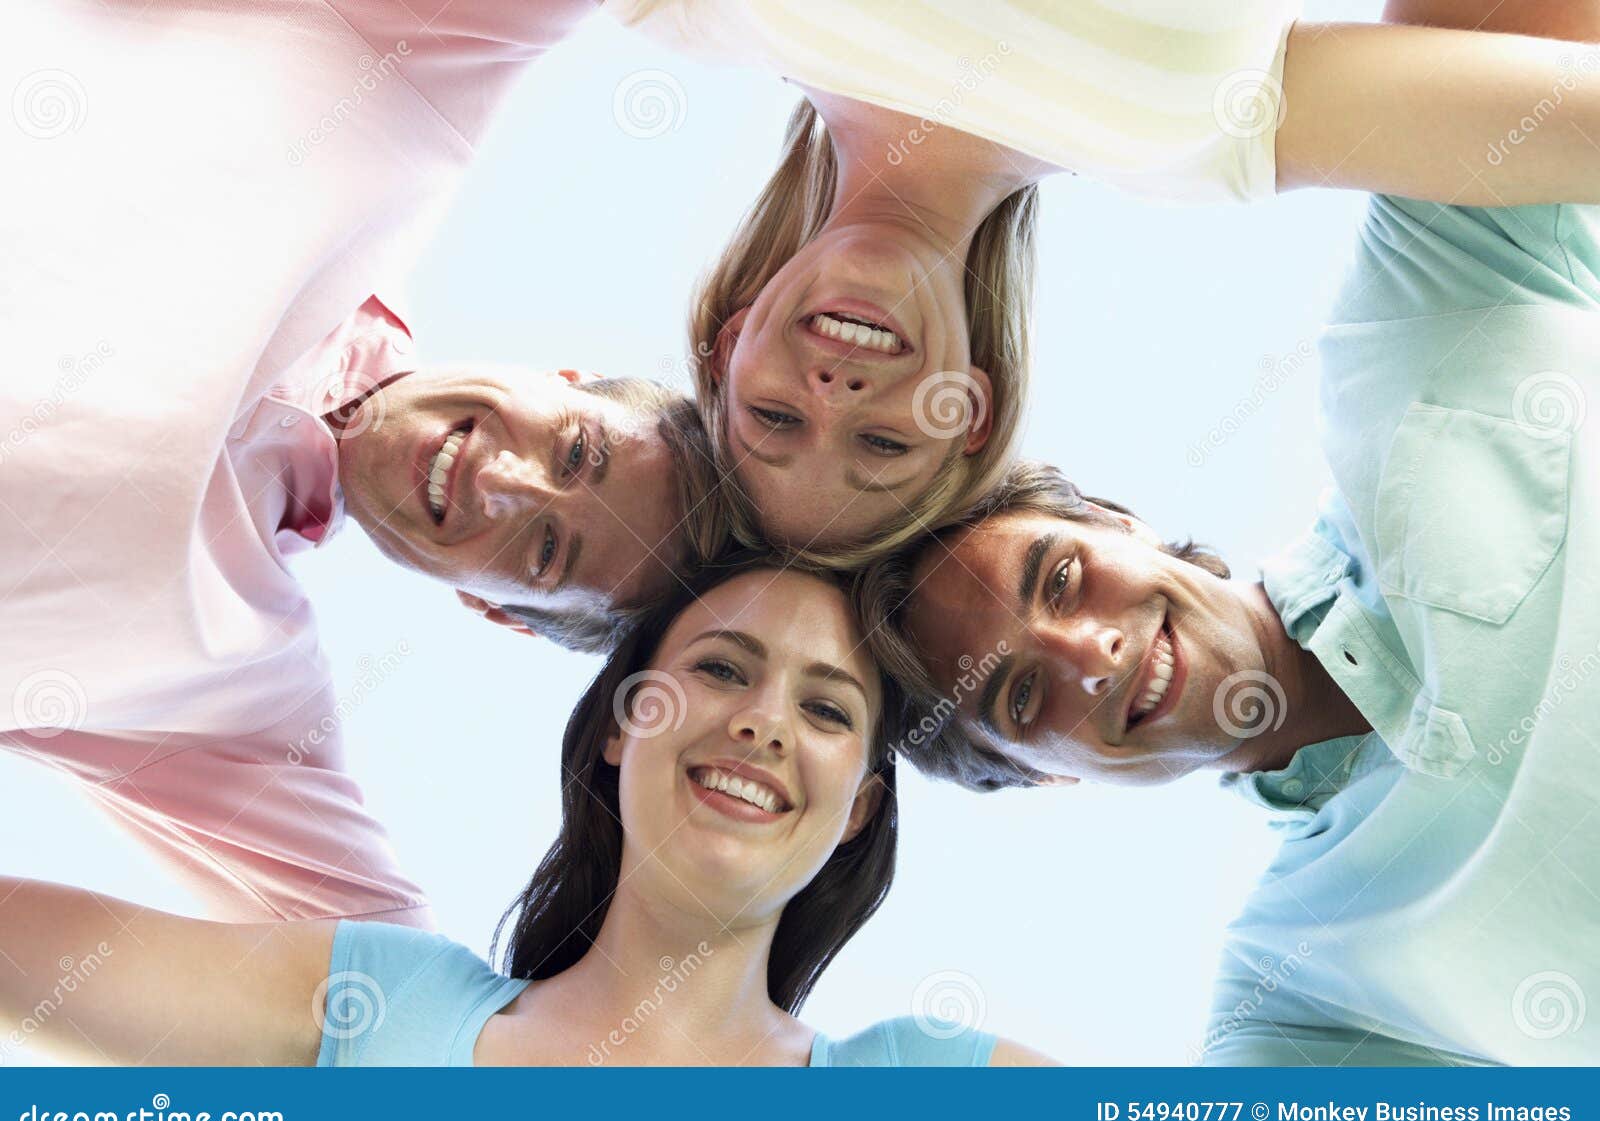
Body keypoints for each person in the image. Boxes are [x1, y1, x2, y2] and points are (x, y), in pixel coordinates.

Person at [857, 0, 1600, 1064]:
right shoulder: (1300, 1003)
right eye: (1019, 695)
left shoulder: (1410, 334)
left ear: (1125, 525)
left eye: (1061, 578)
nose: (1087, 649)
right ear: (1051, 775)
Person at [604, 0, 1600, 563]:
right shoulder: (1194, 146)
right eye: (882, 442)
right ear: (971, 415)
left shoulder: (685, 14)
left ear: (731, 342)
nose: (835, 396)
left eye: (774, 420)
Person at [0, 562, 1054, 1067]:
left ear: (860, 809)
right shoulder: (383, 1010)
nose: (763, 722)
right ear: (619, 725)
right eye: (722, 667)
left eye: (826, 707)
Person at [0, 286, 723, 930]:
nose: (498, 476)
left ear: (492, 607)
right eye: (574, 451)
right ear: (565, 377)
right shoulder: (378, 163)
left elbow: (388, 985)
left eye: (544, 551)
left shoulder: (231, 687)